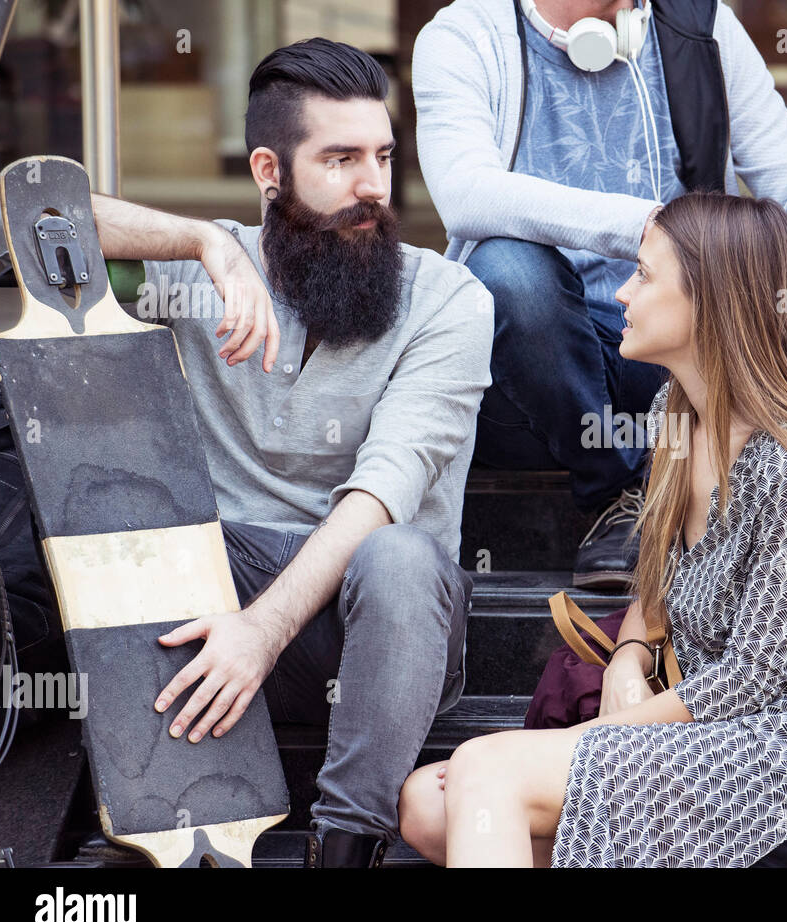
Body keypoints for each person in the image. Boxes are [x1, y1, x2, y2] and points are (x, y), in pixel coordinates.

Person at [396, 191, 787, 867]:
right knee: (427, 803)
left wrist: (599, 735)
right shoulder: (676, 408)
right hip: (700, 736)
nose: (621, 296)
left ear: (711, 300)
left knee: (482, 774)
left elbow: (749, 680)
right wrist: (629, 656)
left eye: (643, 274)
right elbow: (660, 579)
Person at [86, 39, 492, 867]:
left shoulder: (449, 298)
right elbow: (17, 221)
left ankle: (343, 846)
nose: (373, 186)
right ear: (269, 170)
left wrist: (262, 631)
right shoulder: (204, 275)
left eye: (381, 155)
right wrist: (203, 241)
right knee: (116, 505)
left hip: (374, 627)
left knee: (401, 554)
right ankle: (167, 821)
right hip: (217, 602)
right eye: (339, 159)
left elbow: (383, 490)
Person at [412, 0, 787, 590]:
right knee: (508, 271)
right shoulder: (466, 33)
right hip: (543, 372)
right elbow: (466, 193)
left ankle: (750, 516)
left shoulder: (697, 23)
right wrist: (653, 225)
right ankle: (620, 498)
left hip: (680, 353)